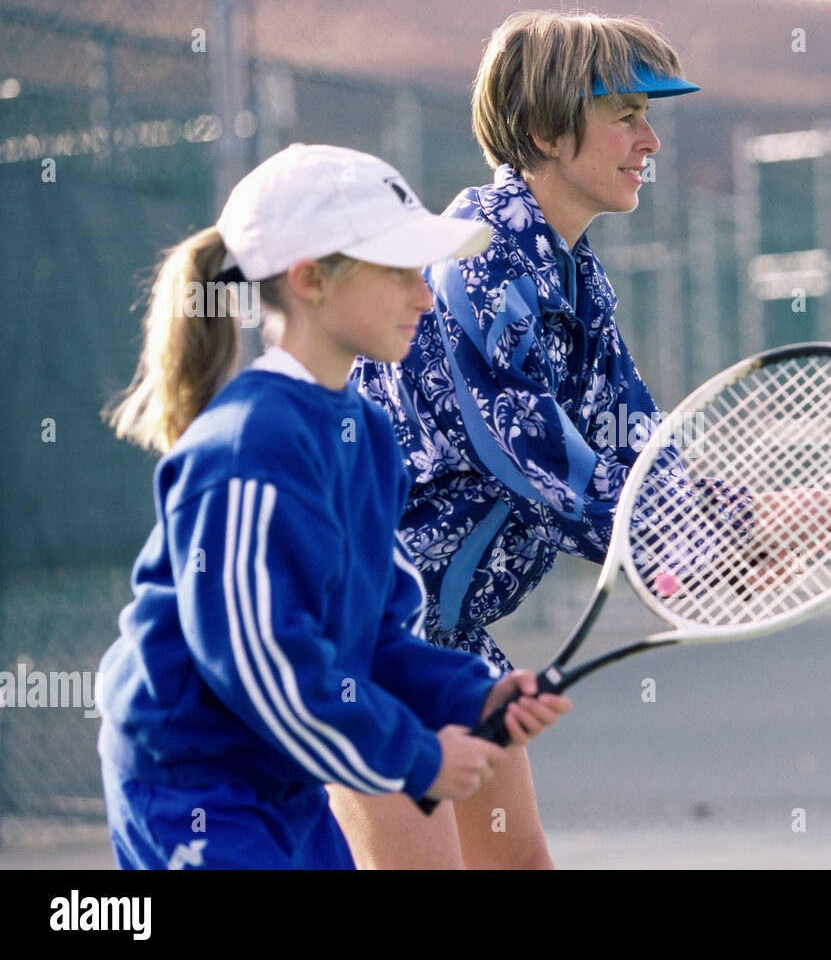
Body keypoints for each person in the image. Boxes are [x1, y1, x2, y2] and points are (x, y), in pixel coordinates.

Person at [97, 143, 571, 870]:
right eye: (397, 271)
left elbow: (374, 642)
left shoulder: (365, 436)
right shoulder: (247, 445)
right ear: (310, 280)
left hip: (284, 782)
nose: (424, 294)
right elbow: (259, 660)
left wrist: (472, 697)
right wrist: (414, 755)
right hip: (193, 783)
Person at [339, 10, 700, 869]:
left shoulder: (576, 274)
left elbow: (633, 437)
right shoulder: (476, 268)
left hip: (442, 643)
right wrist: (714, 540)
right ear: (544, 129)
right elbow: (551, 472)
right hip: (364, 641)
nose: (650, 139)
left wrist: (737, 515)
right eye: (625, 115)